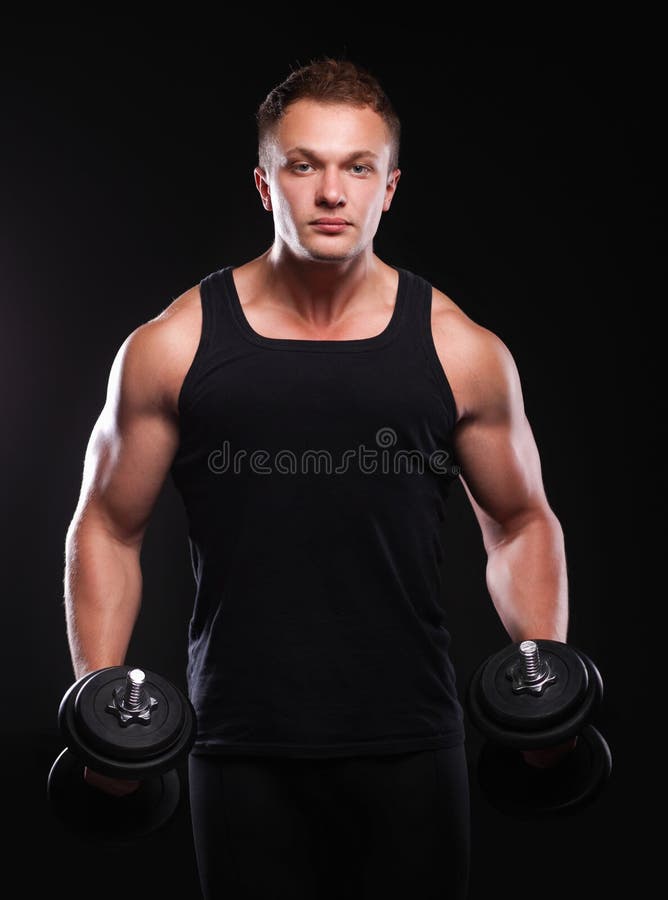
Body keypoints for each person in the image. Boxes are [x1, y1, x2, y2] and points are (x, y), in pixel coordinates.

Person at [63, 57, 571, 899]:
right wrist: (102, 706)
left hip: (412, 740)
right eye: (304, 165)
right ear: (266, 183)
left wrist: (542, 677)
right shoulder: (173, 345)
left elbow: (522, 521)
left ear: (389, 186)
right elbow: (107, 526)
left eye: (356, 167)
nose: (331, 193)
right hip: (238, 745)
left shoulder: (461, 350)